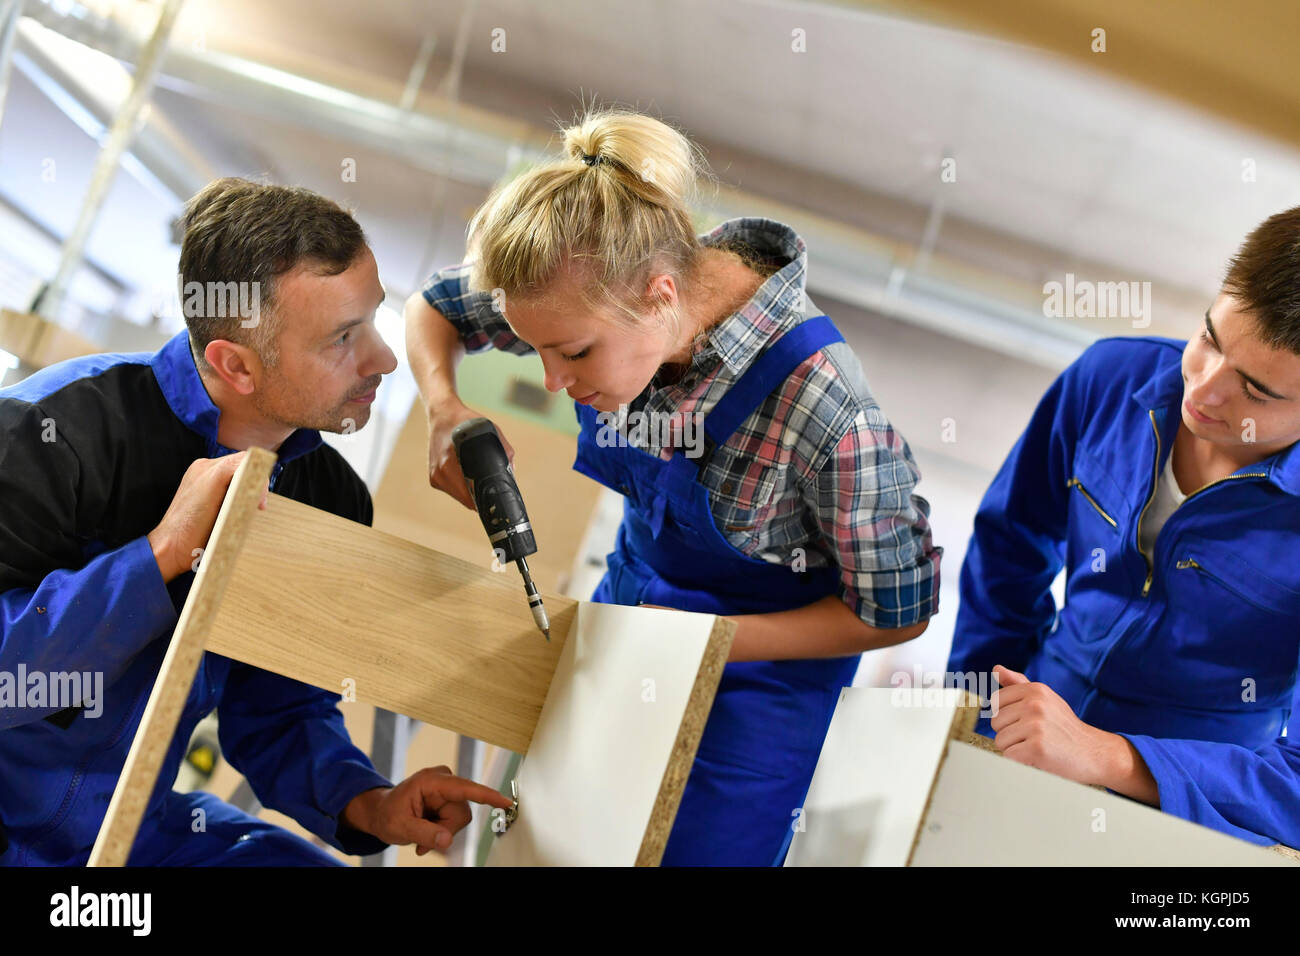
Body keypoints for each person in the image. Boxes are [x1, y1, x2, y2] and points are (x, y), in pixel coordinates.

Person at [406, 107, 941, 865]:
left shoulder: (828, 410)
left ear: (660, 298)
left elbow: (899, 612)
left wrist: (712, 641)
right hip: (632, 612)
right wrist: (443, 406)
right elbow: (429, 307)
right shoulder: (576, 280)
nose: (554, 382)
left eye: (575, 354)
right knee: (547, 842)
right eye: (535, 352)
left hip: (761, 683)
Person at [0, 178, 512, 866]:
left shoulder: (328, 495)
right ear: (233, 364)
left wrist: (366, 801)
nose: (385, 360)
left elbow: (279, 708)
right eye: (342, 339)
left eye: (374, 319)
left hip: (132, 829)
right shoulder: (50, 431)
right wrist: (158, 557)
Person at [950, 206, 1300, 850]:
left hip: (1183, 826)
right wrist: (973, 712)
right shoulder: (1110, 378)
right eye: (1210, 341)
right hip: (1019, 745)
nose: (1206, 390)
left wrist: (1112, 758)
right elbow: (1009, 547)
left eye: (1256, 391)